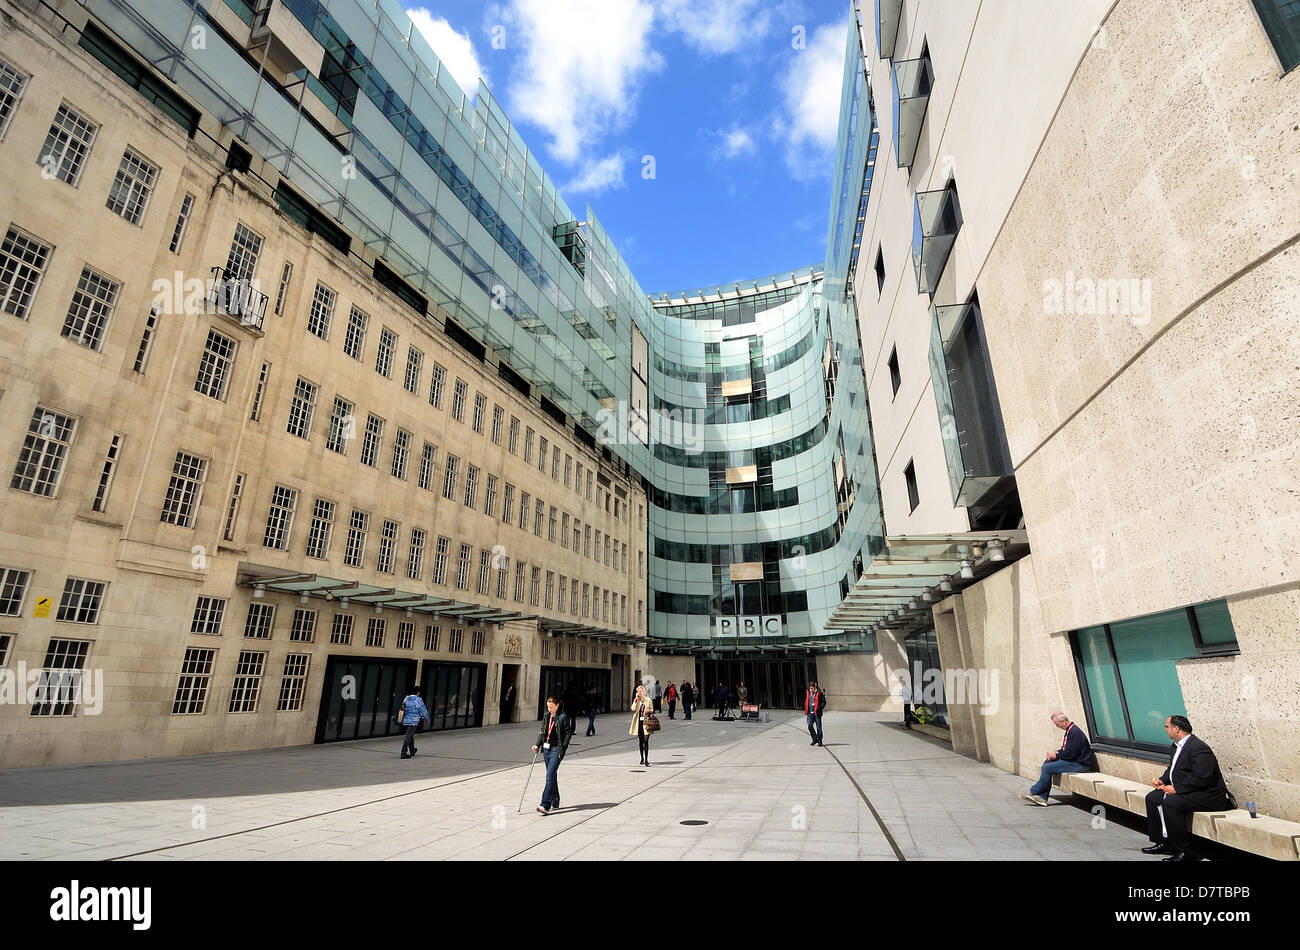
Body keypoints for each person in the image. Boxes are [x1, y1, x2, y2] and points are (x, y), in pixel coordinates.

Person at [1142, 715, 1231, 862]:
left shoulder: (1198, 748)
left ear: (1176, 728)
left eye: (1166, 727)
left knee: (1171, 803)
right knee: (1152, 798)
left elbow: (1203, 777)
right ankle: (1164, 842)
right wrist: (1162, 780)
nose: (1165, 730)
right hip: (1189, 790)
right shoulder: (1176, 746)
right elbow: (1173, 768)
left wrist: (1177, 789)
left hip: (1208, 795)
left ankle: (1184, 851)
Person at [1021, 712, 1099, 805]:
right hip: (1072, 760)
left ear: (1064, 721)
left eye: (1057, 724)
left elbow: (1070, 755)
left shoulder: (1075, 732)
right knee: (1047, 762)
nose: (1057, 727)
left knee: (1047, 768)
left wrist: (1056, 755)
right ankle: (1043, 797)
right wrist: (1056, 752)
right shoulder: (1070, 730)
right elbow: (1068, 750)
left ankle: (1033, 791)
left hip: (1079, 764)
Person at [531, 696, 572, 815]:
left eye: (552, 707)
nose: (549, 709)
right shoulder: (546, 716)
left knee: (549, 776)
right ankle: (555, 801)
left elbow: (569, 732)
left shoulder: (563, 717)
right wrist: (537, 745)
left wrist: (563, 747)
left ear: (557, 705)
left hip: (556, 750)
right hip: (546, 749)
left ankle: (545, 804)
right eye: (548, 707)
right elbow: (543, 731)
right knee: (552, 776)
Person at [398, 686, 430, 759]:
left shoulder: (406, 698)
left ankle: (412, 750)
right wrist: (426, 719)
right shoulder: (418, 699)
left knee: (410, 735)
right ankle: (403, 752)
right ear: (418, 693)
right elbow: (422, 710)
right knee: (408, 735)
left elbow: (402, 708)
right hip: (413, 720)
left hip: (406, 720)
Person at [630, 684, 654, 766]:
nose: (639, 692)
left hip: (646, 722)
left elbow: (652, 709)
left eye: (640, 691)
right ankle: (642, 758)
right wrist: (636, 699)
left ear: (644, 692)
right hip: (638, 723)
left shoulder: (648, 700)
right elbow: (633, 708)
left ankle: (646, 759)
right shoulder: (636, 700)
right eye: (638, 691)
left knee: (646, 741)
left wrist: (649, 711)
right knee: (640, 742)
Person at [804, 681, 826, 746]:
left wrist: (819, 707)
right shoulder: (808, 692)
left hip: (817, 713)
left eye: (812, 688)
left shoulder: (819, 693)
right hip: (810, 713)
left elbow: (824, 702)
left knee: (819, 728)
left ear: (815, 687)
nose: (811, 690)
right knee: (809, 726)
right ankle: (814, 739)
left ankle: (819, 741)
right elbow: (807, 700)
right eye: (810, 688)